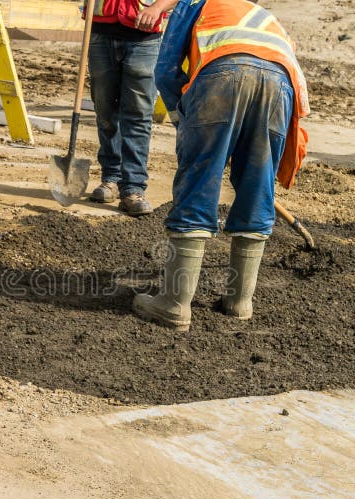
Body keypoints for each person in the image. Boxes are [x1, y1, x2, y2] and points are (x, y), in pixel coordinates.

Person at [133, 0, 309, 330]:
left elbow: (166, 70)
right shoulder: (262, 16)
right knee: (258, 186)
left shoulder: (195, 2)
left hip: (223, 76)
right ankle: (240, 303)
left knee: (199, 182)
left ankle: (174, 305)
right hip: (280, 86)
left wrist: (183, 118)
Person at [86, 0, 178, 216]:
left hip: (143, 38)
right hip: (101, 32)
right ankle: (111, 179)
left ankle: (133, 189)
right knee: (105, 111)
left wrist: (156, 8)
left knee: (137, 115)